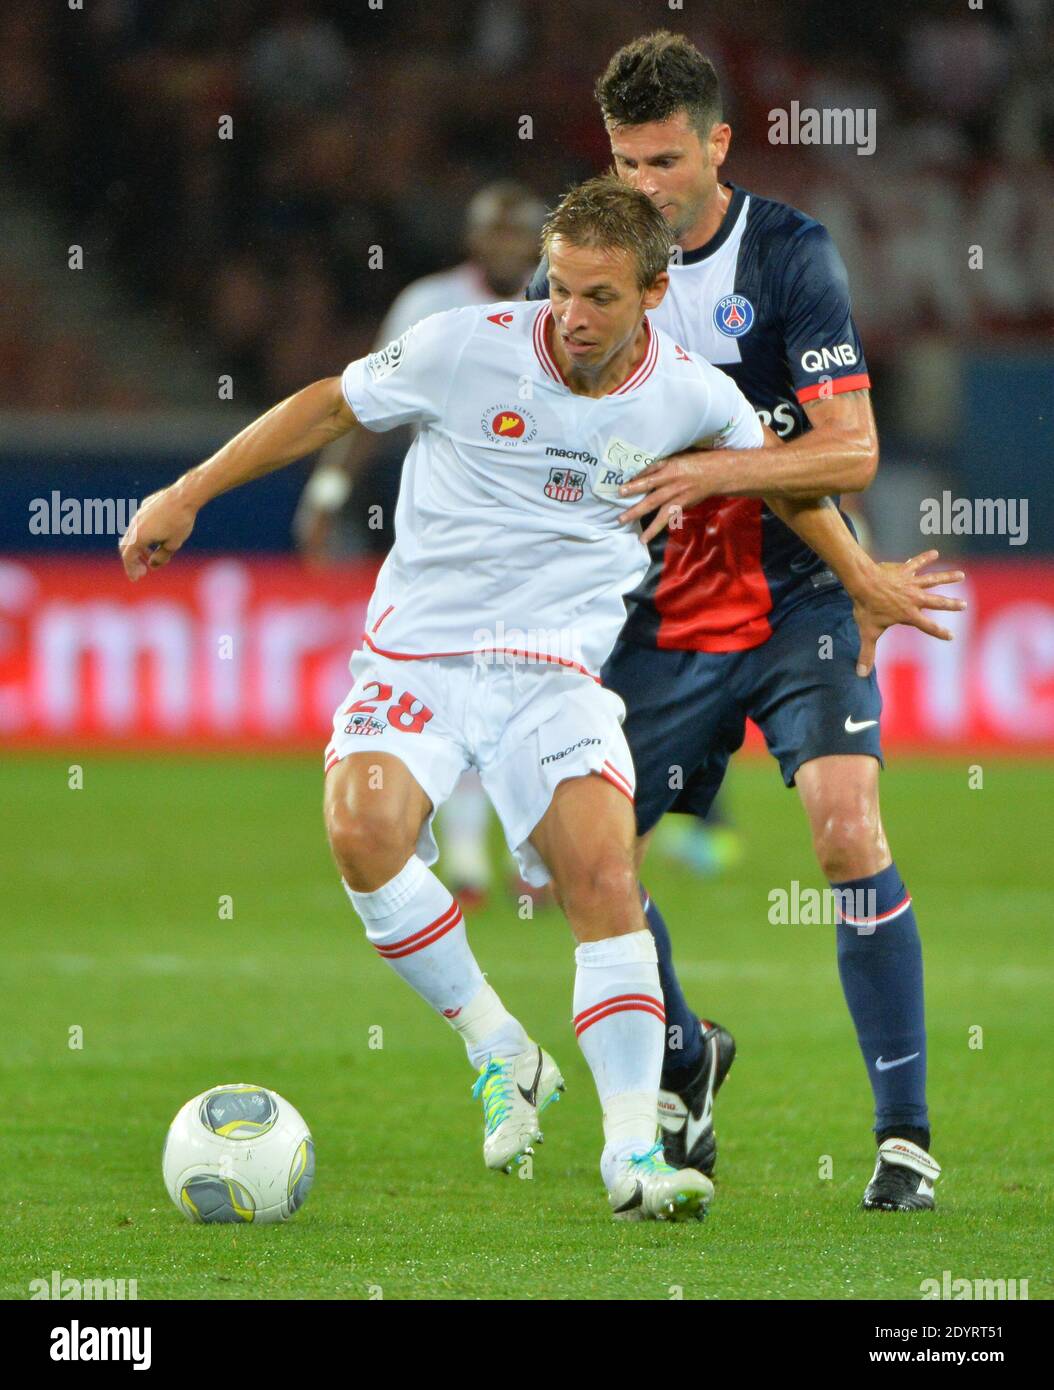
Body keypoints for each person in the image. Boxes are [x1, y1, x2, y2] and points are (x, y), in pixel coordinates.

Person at [119, 176, 921, 1222]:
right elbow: (327, 404)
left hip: (554, 671)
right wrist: (186, 493)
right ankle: (497, 1043)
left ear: (651, 291)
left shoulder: (692, 395)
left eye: (598, 297)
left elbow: (785, 483)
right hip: (420, 656)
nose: (571, 317)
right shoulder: (467, 346)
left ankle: (632, 1154)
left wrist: (860, 576)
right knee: (363, 834)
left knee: (599, 872)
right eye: (560, 289)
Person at [526, 31, 964, 1211]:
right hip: (652, 616)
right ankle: (683, 1055)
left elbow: (853, 447)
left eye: (664, 161)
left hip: (793, 600)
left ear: (717, 145)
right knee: (584, 861)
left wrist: (723, 479)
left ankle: (904, 1139)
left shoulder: (786, 256)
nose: (642, 188)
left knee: (843, 827)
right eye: (624, 162)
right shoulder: (579, 277)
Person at [296, 181, 547, 908]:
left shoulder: (571, 308)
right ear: (473, 241)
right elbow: (361, 406)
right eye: (494, 233)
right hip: (443, 533)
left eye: (519, 233)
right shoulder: (428, 305)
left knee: (530, 688)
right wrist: (327, 493)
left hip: (541, 535)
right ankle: (472, 852)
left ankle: (541, 851)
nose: (506, 246)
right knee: (465, 679)